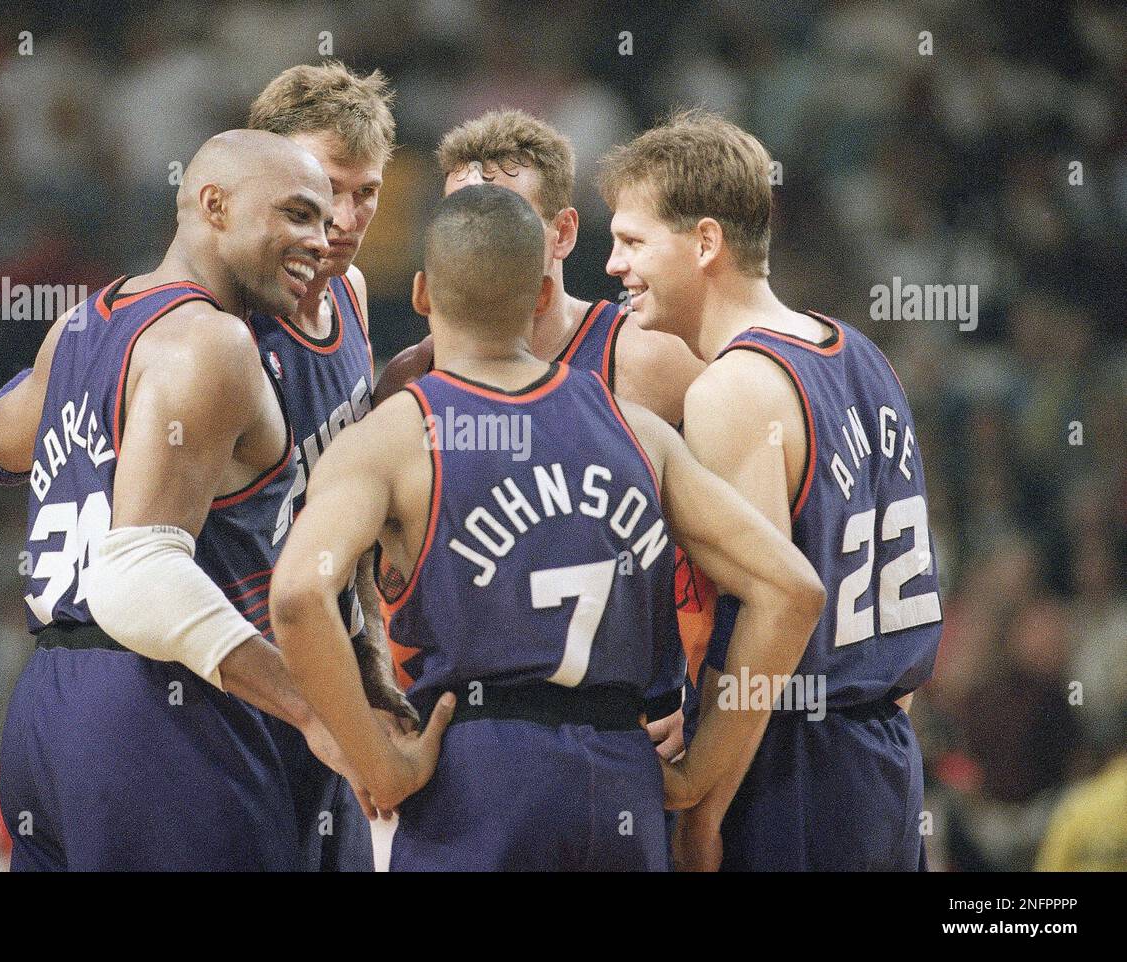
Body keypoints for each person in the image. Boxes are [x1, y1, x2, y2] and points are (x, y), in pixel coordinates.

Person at [270, 184, 824, 871]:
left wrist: (374, 760)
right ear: (540, 295)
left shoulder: (393, 437)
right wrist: (702, 769)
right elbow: (794, 590)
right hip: (622, 771)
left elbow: (297, 597)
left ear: (420, 294)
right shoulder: (639, 431)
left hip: (479, 775)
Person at [0, 129, 353, 870]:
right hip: (161, 703)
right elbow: (139, 578)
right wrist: (313, 709)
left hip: (48, 709)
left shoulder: (83, 323)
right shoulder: (213, 344)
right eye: (298, 215)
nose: (323, 238)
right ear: (213, 205)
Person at [600, 109, 944, 871]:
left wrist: (701, 796)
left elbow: (768, 620)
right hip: (886, 751)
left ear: (705, 242)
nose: (614, 265)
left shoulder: (732, 389)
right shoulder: (862, 354)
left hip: (795, 768)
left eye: (632, 241)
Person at [373, 109, 706, 765]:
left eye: (505, 213)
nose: (481, 233)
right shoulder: (410, 378)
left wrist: (715, 704)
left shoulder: (644, 357)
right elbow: (364, 574)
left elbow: (754, 550)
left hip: (629, 732)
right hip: (475, 739)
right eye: (461, 217)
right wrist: (377, 704)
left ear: (561, 232)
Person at [246, 60, 405, 871]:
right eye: (323, 188)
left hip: (327, 682)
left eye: (365, 191)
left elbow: (357, 506)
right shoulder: (217, 330)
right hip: (234, 694)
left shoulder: (355, 297)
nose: (345, 217)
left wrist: (372, 656)